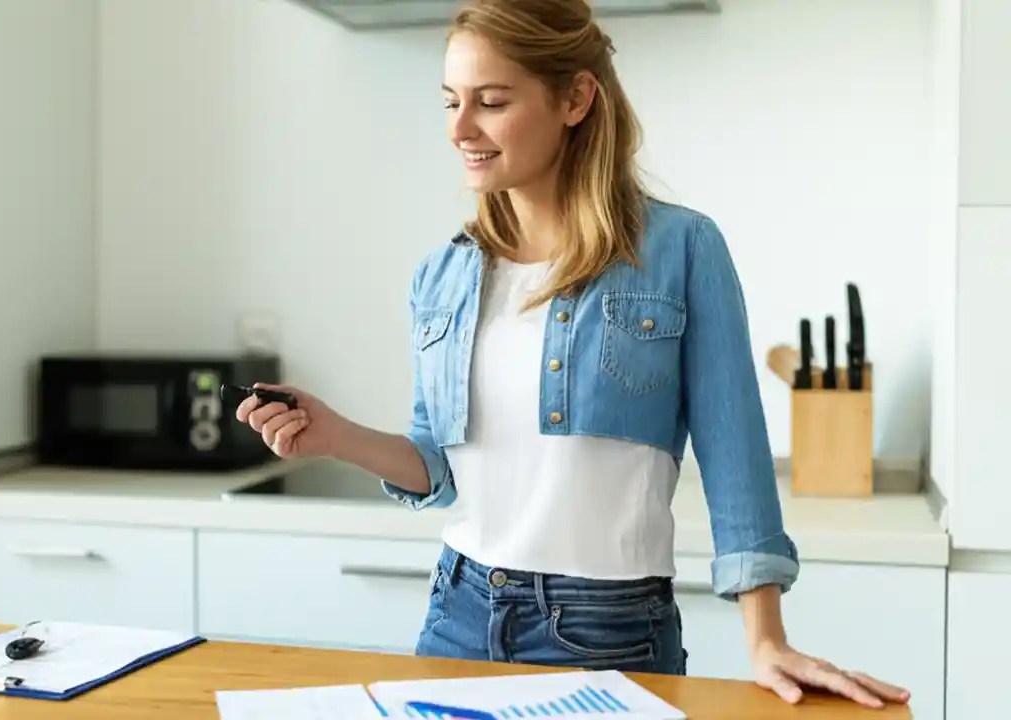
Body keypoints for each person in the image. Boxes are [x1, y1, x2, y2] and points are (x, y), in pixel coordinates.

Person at [233, 0, 909, 710]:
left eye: (491, 102)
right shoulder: (443, 274)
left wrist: (766, 638)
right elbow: (438, 464)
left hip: (606, 625)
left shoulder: (679, 250)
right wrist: (334, 435)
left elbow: (734, 453)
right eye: (450, 102)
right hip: (457, 612)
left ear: (576, 98)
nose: (461, 128)